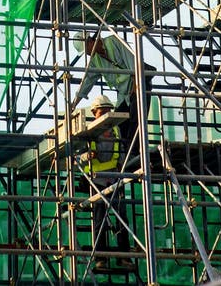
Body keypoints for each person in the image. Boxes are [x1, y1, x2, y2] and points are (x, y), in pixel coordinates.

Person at [73, 31, 153, 158]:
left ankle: (136, 154)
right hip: (124, 94)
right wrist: (73, 104)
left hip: (139, 84)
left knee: (136, 119)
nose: (87, 53)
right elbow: (87, 82)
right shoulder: (95, 61)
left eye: (86, 49)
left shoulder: (114, 42)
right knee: (120, 123)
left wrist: (135, 90)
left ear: (91, 41)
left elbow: (135, 66)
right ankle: (127, 155)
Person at [78, 94, 134, 272]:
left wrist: (123, 169)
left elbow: (122, 152)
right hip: (97, 181)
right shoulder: (89, 131)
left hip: (114, 180)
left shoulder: (116, 131)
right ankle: (101, 258)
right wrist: (87, 156)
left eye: (108, 111)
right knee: (99, 220)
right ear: (94, 113)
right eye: (102, 112)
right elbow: (77, 157)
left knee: (121, 219)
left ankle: (123, 257)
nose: (105, 115)